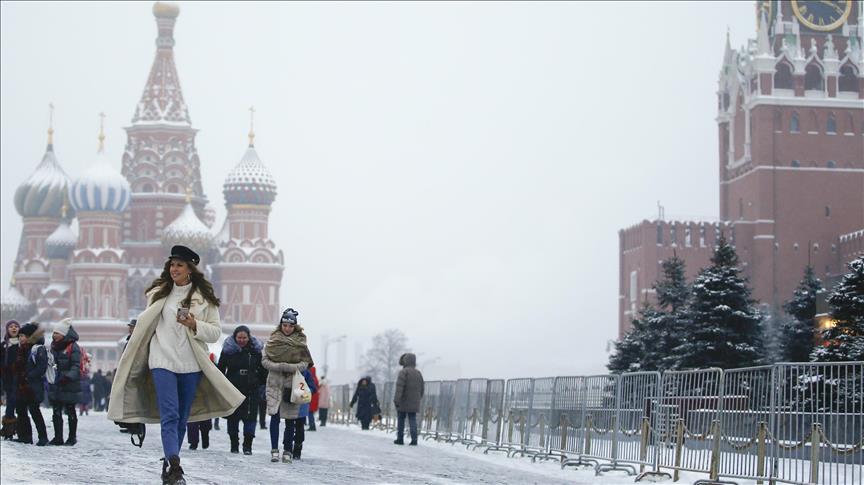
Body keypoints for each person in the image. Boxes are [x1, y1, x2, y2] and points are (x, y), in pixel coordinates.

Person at [107, 245, 244, 485]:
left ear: (190, 269)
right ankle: (174, 463)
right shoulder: (160, 293)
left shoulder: (204, 297)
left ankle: (171, 461)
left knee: (181, 417)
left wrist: (194, 324)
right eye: (172, 265)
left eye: (180, 265)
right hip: (162, 361)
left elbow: (214, 333)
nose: (174, 269)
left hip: (191, 364)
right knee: (169, 414)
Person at [261, 308, 313, 464]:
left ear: (295, 327)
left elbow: (306, 363)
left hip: (292, 384)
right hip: (275, 383)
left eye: (290, 326)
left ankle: (287, 451)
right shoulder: (272, 341)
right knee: (274, 417)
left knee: (291, 420)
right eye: (285, 325)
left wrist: (289, 367)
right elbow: (264, 361)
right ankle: (274, 450)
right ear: (281, 325)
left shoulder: (300, 343)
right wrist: (279, 367)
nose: (287, 328)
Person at [217, 325, 267, 454]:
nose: (242, 340)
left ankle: (247, 445)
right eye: (239, 337)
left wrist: (260, 383)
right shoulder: (228, 350)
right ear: (235, 337)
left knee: (250, 418)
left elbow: (262, 368)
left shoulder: (255, 350)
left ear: (249, 337)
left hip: (251, 389)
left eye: (244, 337)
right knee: (232, 417)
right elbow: (221, 368)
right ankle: (234, 444)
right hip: (232, 387)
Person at [13, 323, 49, 446]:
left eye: (23, 335)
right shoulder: (21, 348)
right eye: (20, 336)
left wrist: (28, 376)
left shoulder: (38, 349)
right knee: (21, 411)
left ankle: (43, 437)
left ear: (30, 336)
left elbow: (41, 368)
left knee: (35, 411)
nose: (20, 338)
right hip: (22, 386)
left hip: (33, 387)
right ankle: (25, 436)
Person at [48, 318, 82, 446]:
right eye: (53, 333)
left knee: (70, 410)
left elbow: (75, 365)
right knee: (56, 411)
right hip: (57, 383)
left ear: (63, 334)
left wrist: (67, 377)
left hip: (69, 384)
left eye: (57, 333)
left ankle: (72, 438)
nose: (54, 335)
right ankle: (58, 437)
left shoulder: (72, 347)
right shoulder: (54, 346)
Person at [393, 353, 424, 446]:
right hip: (414, 401)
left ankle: (400, 438)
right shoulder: (418, 373)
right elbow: (422, 388)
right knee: (412, 419)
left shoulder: (403, 372)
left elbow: (400, 387)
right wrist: (419, 398)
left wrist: (396, 400)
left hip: (403, 400)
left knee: (401, 419)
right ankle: (414, 439)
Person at [291, 368, 317, 460]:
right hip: (290, 403)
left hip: (301, 404)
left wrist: (304, 391)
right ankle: (288, 448)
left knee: (299, 427)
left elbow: (313, 387)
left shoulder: (306, 372)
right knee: (289, 426)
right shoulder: (289, 369)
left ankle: (297, 449)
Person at [1, 319, 20, 440]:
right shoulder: (3, 345)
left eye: (16, 326)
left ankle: (23, 431)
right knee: (10, 404)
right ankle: (9, 430)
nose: (14, 328)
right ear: (7, 329)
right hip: (8, 379)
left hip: (20, 379)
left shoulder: (22, 344)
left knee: (21, 406)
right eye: (11, 326)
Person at [307, 365, 320, 431]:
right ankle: (312, 425)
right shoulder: (316, 378)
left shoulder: (312, 379)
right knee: (310, 412)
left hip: (312, 398)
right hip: (315, 398)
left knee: (310, 412)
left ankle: (312, 426)